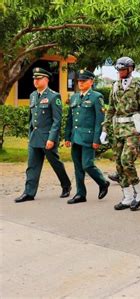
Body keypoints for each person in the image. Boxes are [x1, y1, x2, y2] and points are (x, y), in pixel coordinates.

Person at [101, 56, 140, 210]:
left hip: (133, 130)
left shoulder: (138, 87)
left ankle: (138, 192)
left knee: (127, 161)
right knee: (118, 163)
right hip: (118, 129)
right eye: (119, 70)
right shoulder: (115, 86)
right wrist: (105, 128)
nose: (120, 73)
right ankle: (127, 196)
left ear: (130, 69)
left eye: (123, 69)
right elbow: (111, 108)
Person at [15, 68, 71, 203]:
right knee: (32, 166)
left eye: (38, 79)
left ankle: (66, 185)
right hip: (34, 137)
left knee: (55, 163)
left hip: (47, 138)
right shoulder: (33, 95)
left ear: (46, 80)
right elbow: (32, 118)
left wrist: (52, 138)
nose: (35, 81)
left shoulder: (53, 96)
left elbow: (57, 120)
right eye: (34, 79)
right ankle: (29, 193)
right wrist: (30, 134)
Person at [64, 70, 109, 204]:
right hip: (75, 137)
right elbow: (70, 119)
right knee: (78, 167)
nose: (81, 83)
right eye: (79, 81)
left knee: (87, 165)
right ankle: (80, 194)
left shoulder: (96, 97)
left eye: (84, 81)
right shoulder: (74, 97)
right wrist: (67, 137)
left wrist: (97, 139)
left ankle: (103, 182)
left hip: (89, 137)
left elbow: (99, 120)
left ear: (91, 82)